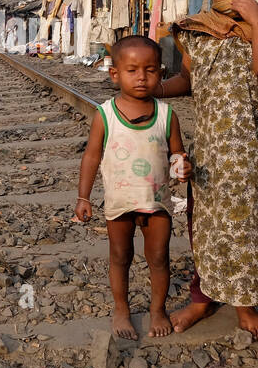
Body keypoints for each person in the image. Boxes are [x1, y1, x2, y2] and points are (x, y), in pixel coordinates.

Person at [156, 0, 258, 339]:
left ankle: (244, 303)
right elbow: (188, 80)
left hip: (250, 152)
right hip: (211, 151)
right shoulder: (195, 31)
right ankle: (203, 297)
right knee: (205, 226)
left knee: (245, 226)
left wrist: (257, 23)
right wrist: (152, 90)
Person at [75, 35, 189, 340]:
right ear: (115, 74)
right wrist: (83, 196)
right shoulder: (106, 115)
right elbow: (92, 156)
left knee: (159, 258)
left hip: (158, 203)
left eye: (150, 70)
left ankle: (157, 310)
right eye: (132, 70)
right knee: (120, 256)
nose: (142, 77)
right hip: (120, 202)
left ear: (161, 74)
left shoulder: (167, 116)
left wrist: (182, 167)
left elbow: (176, 153)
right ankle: (122, 308)